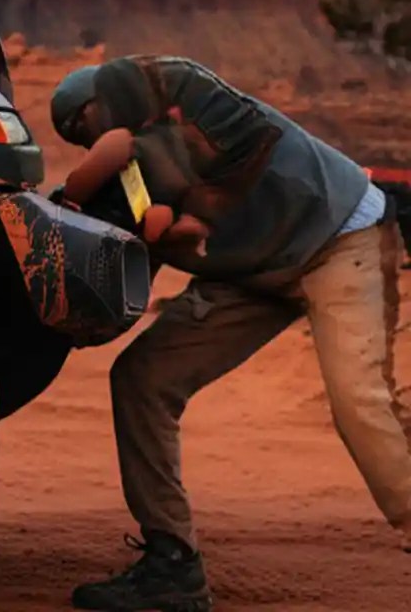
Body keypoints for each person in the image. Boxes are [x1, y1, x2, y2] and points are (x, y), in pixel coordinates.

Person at [48, 55, 411, 612]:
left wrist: (110, 193)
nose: (82, 135)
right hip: (251, 273)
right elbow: (129, 252)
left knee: (362, 403)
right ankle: (173, 566)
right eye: (73, 135)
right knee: (144, 378)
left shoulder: (186, 91)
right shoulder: (135, 181)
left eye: (81, 120)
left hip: (338, 237)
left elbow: (228, 148)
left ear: (105, 97)